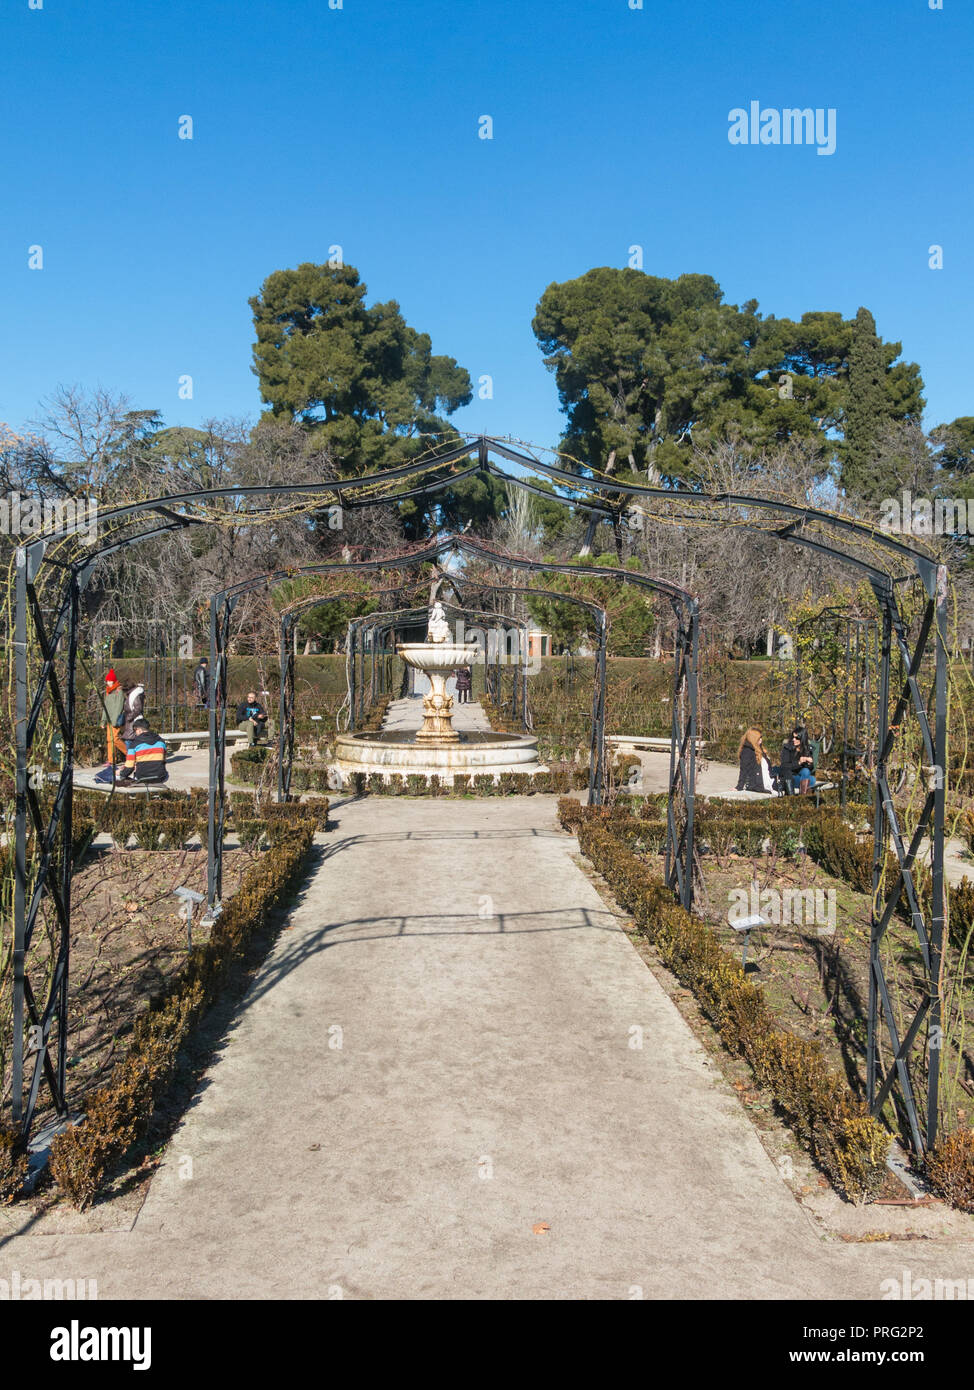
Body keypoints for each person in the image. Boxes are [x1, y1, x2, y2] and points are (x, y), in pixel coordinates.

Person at [116, 716, 169, 785]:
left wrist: (120, 772)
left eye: (135, 731)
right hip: (160, 776)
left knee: (116, 776)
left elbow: (129, 768)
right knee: (165, 773)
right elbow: (163, 760)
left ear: (139, 730)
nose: (135, 734)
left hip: (142, 777)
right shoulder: (161, 742)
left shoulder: (134, 744)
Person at [101, 668, 127, 769]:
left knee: (115, 739)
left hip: (115, 720)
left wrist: (115, 720)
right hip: (108, 720)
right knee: (109, 740)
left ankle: (129, 755)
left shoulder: (118, 691)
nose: (108, 683)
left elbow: (119, 707)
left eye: (110, 681)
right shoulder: (108, 692)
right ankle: (111, 760)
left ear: (114, 681)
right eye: (107, 681)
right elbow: (105, 707)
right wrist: (103, 720)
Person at [780, 727, 817, 795]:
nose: (794, 739)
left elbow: (810, 769)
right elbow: (784, 766)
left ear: (802, 738)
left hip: (802, 776)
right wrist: (798, 762)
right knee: (811, 780)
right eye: (793, 737)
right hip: (790, 777)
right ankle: (803, 796)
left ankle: (802, 795)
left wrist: (809, 763)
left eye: (797, 738)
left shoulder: (807, 749)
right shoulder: (787, 748)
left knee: (807, 773)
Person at [736, 727, 774, 793]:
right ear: (753, 738)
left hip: (767, 779)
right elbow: (744, 769)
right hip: (758, 783)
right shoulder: (747, 751)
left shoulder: (759, 749)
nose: (761, 740)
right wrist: (739, 787)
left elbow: (769, 767)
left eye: (761, 738)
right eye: (759, 738)